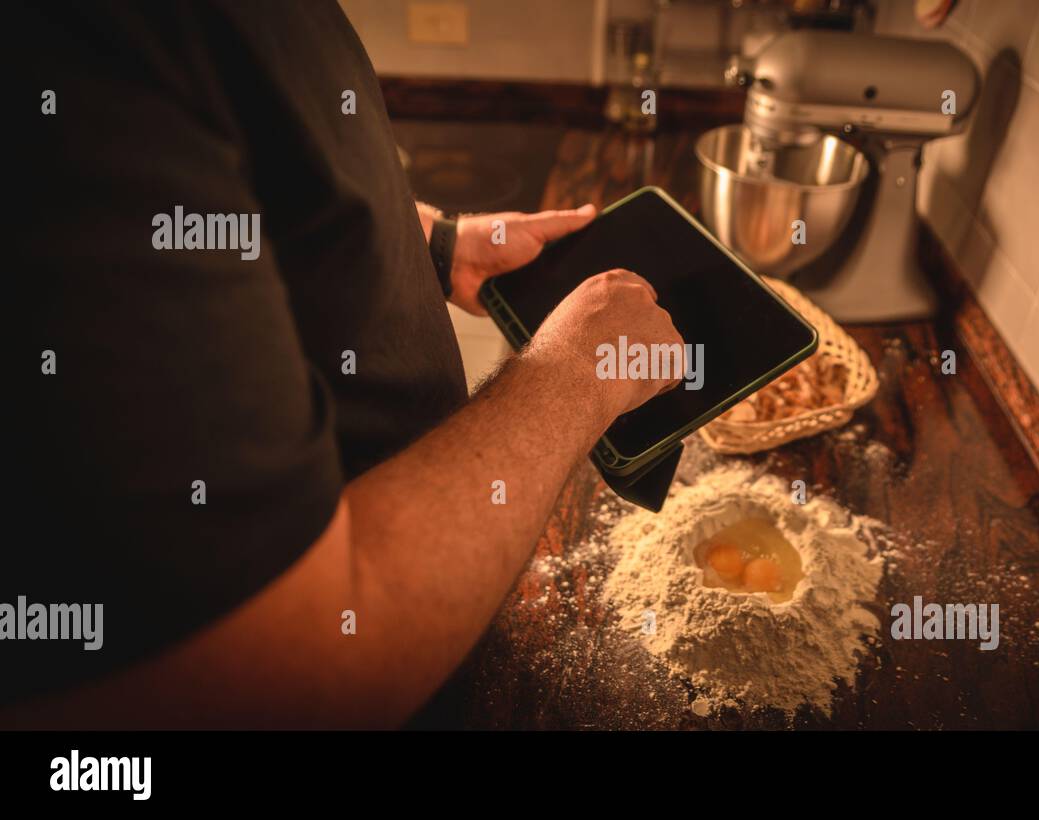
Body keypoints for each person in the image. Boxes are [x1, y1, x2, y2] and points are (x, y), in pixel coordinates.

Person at [9, 2, 682, 727]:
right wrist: (574, 375)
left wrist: (423, 243)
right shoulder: (66, 51)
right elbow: (278, 664)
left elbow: (250, 177)